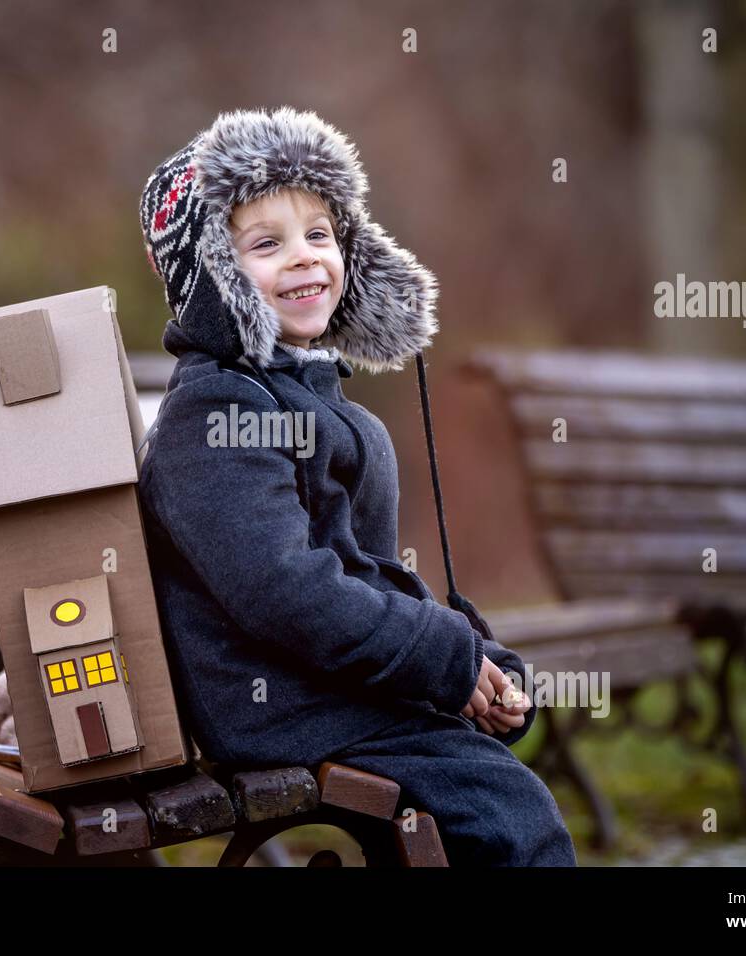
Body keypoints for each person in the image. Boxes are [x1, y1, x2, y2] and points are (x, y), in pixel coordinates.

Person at [135, 105, 576, 866]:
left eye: (321, 233)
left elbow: (370, 573)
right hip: (280, 706)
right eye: (266, 244)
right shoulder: (217, 414)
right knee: (511, 818)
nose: (305, 258)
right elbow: (286, 589)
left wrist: (474, 658)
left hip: (332, 688)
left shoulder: (304, 393)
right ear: (212, 277)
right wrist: (440, 656)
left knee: (496, 799)